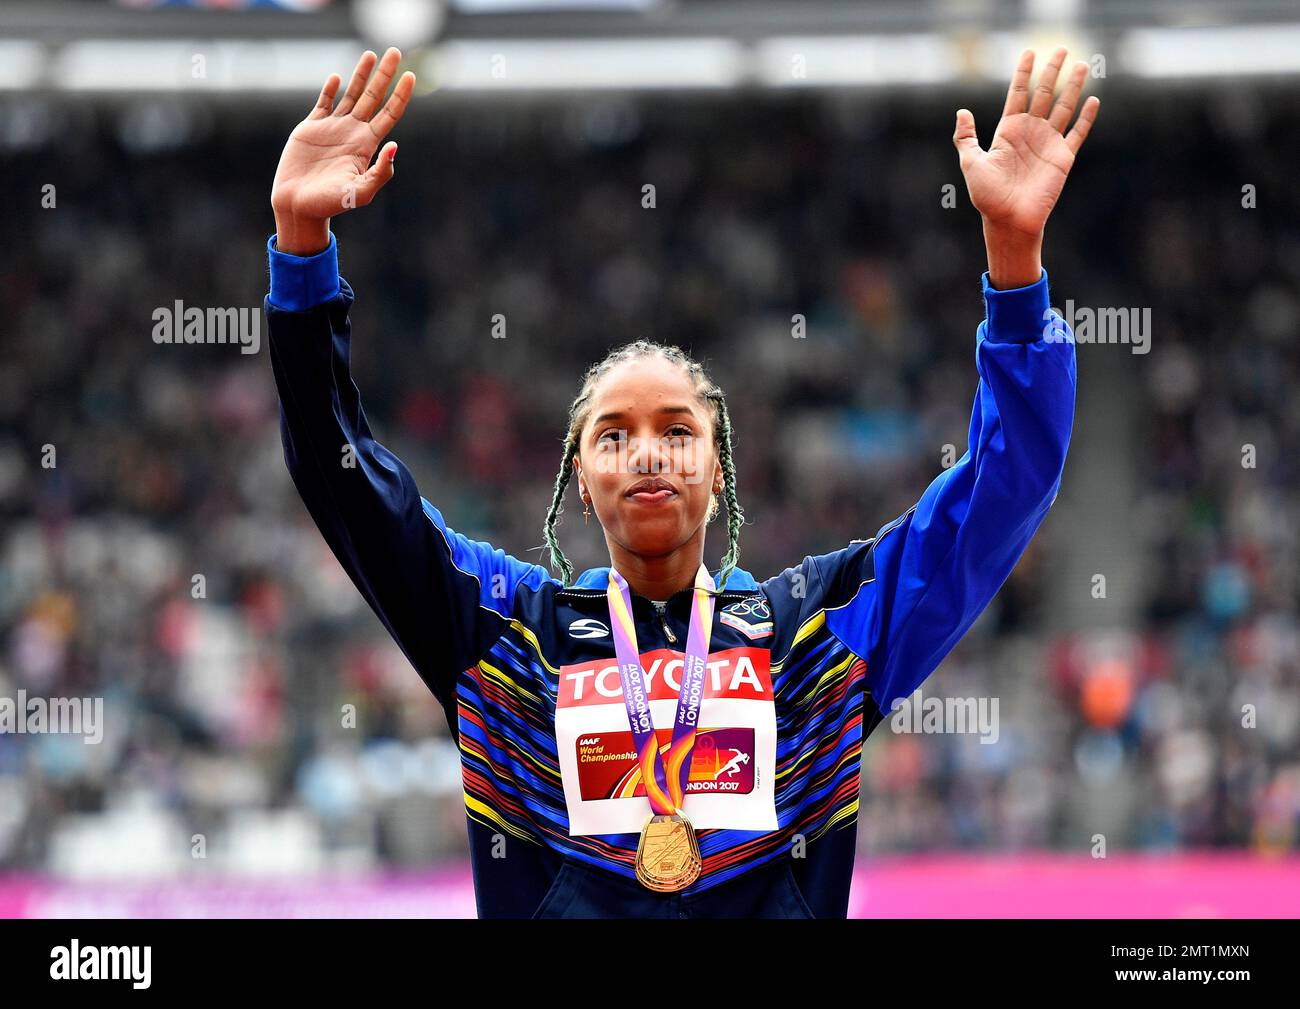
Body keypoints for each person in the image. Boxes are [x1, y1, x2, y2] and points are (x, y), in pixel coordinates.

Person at [263, 46, 1098, 917]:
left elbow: (1004, 487)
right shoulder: (501, 632)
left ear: (718, 471)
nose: (649, 454)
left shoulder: (815, 636)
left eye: (677, 431)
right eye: (614, 436)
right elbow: (345, 477)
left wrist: (1014, 262)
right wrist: (301, 250)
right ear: (579, 482)